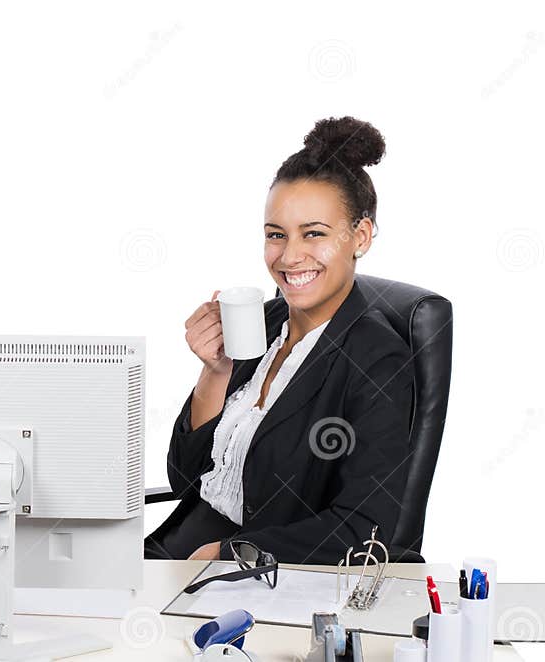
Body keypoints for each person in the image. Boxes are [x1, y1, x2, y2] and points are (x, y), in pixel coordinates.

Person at [144, 116, 416, 565]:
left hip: (261, 573)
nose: (289, 256)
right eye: (276, 235)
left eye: (314, 234)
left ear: (360, 237)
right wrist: (215, 372)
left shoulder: (377, 359)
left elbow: (364, 524)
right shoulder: (262, 324)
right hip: (179, 548)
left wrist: (235, 553)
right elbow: (186, 480)